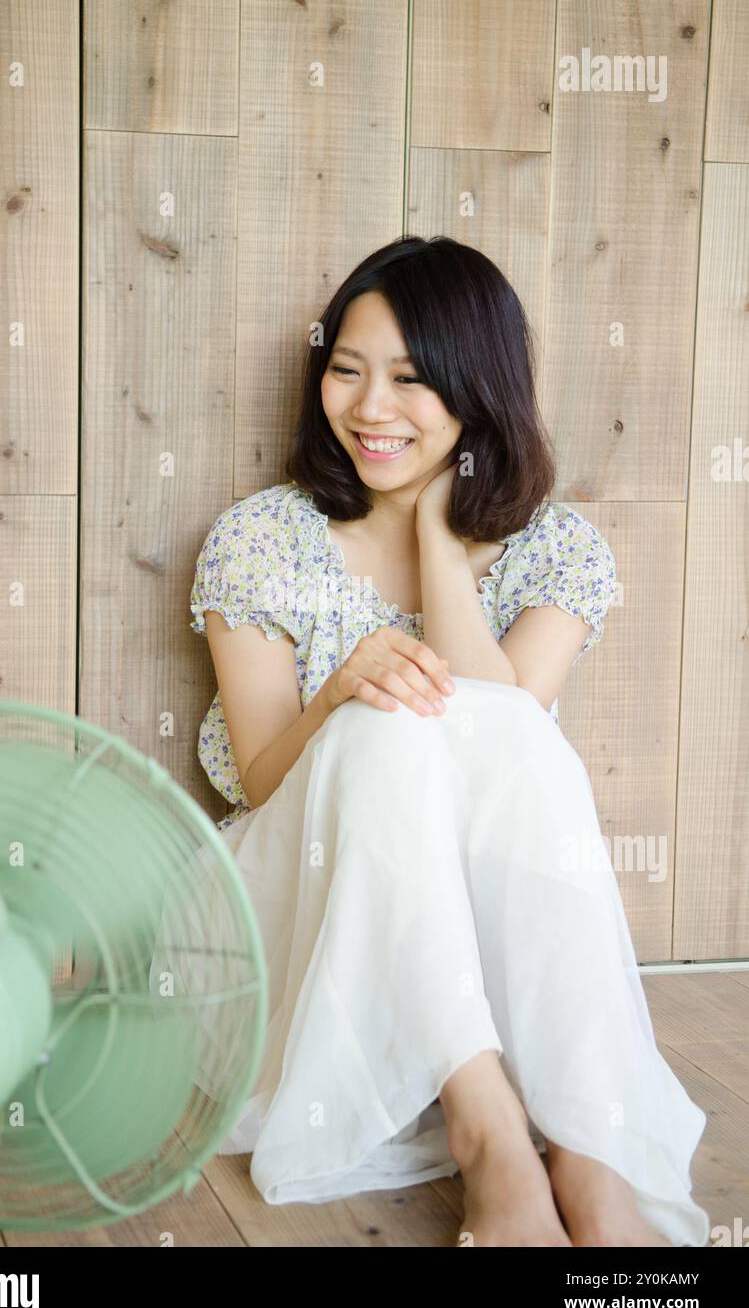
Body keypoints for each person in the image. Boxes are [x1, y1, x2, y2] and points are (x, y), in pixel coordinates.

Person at [174, 236, 709, 1247]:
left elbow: (503, 735)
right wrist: (341, 691)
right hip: (296, 899)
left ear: (478, 388)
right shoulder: (260, 540)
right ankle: (490, 1139)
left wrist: (435, 534)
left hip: (486, 924)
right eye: (347, 370)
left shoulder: (559, 552)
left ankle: (588, 1159)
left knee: (487, 723)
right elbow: (263, 778)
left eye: (411, 379)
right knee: (384, 723)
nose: (370, 407)